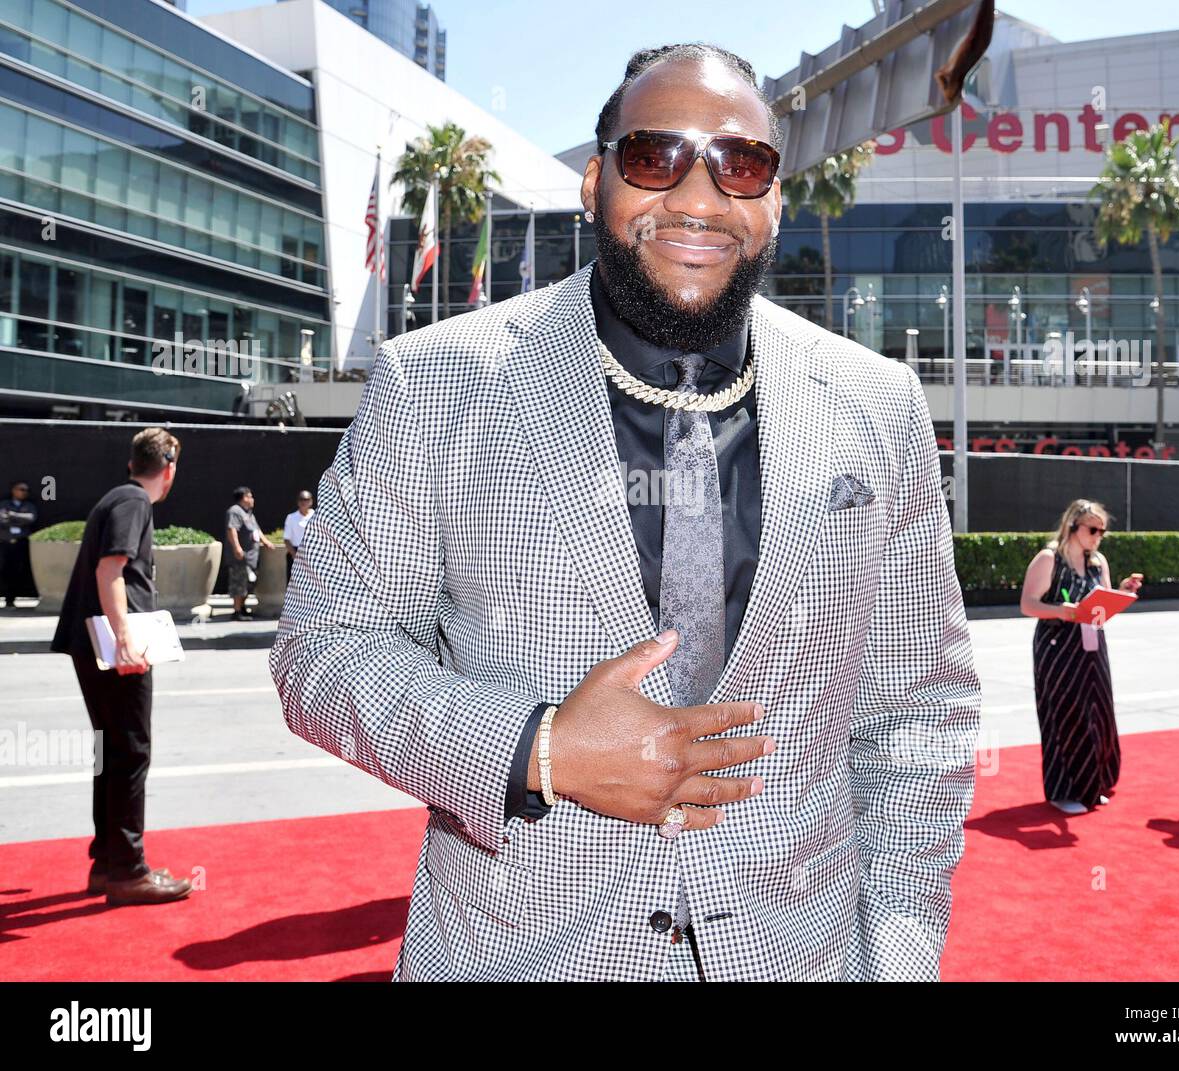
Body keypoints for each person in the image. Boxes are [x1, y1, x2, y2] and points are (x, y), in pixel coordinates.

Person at [271, 43, 980, 983]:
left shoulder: (876, 400)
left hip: (801, 953)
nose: (697, 197)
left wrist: (895, 959)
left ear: (773, 200)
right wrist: (539, 748)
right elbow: (323, 650)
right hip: (524, 951)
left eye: (741, 164)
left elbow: (919, 707)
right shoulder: (436, 382)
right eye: (655, 157)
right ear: (596, 179)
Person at [50, 428, 192, 905]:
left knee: (108, 751)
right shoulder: (134, 503)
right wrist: (127, 641)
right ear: (168, 469)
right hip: (115, 651)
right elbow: (110, 569)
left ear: (135, 461)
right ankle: (129, 871)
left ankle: (108, 863)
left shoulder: (117, 496)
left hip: (92, 645)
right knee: (130, 752)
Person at [1020, 499, 1143, 815]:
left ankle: (1092, 785)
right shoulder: (1049, 559)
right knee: (1065, 714)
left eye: (1102, 530)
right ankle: (1064, 791)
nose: (1098, 535)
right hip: (1057, 647)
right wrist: (1060, 611)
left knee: (1099, 714)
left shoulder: (1097, 562)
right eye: (1093, 529)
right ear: (1073, 527)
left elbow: (1101, 610)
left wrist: (1122, 593)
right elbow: (1028, 605)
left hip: (1092, 646)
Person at [225, 486, 274, 620]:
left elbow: (256, 530)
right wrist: (237, 548)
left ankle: (242, 608)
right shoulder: (235, 511)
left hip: (252, 557)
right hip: (240, 557)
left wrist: (266, 542)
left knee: (248, 584)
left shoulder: (249, 513)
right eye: (250, 496)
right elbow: (232, 530)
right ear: (243, 498)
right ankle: (236, 612)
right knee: (238, 584)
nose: (252, 499)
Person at [0, 479, 38, 607]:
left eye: (26, 490)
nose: (24, 492)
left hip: (21, 543)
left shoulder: (29, 505)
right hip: (6, 543)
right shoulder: (4, 504)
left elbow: (30, 518)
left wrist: (11, 515)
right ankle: (8, 599)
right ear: (14, 490)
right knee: (6, 570)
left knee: (19, 570)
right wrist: (19, 517)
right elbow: (2, 520)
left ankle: (15, 597)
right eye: (21, 489)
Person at [282, 490, 314, 583]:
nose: (304, 502)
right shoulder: (291, 517)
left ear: (311, 501)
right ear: (298, 502)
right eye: (301, 500)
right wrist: (294, 555)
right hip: (295, 553)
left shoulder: (316, 516)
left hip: (312, 553)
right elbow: (287, 539)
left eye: (306, 499)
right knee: (294, 582)